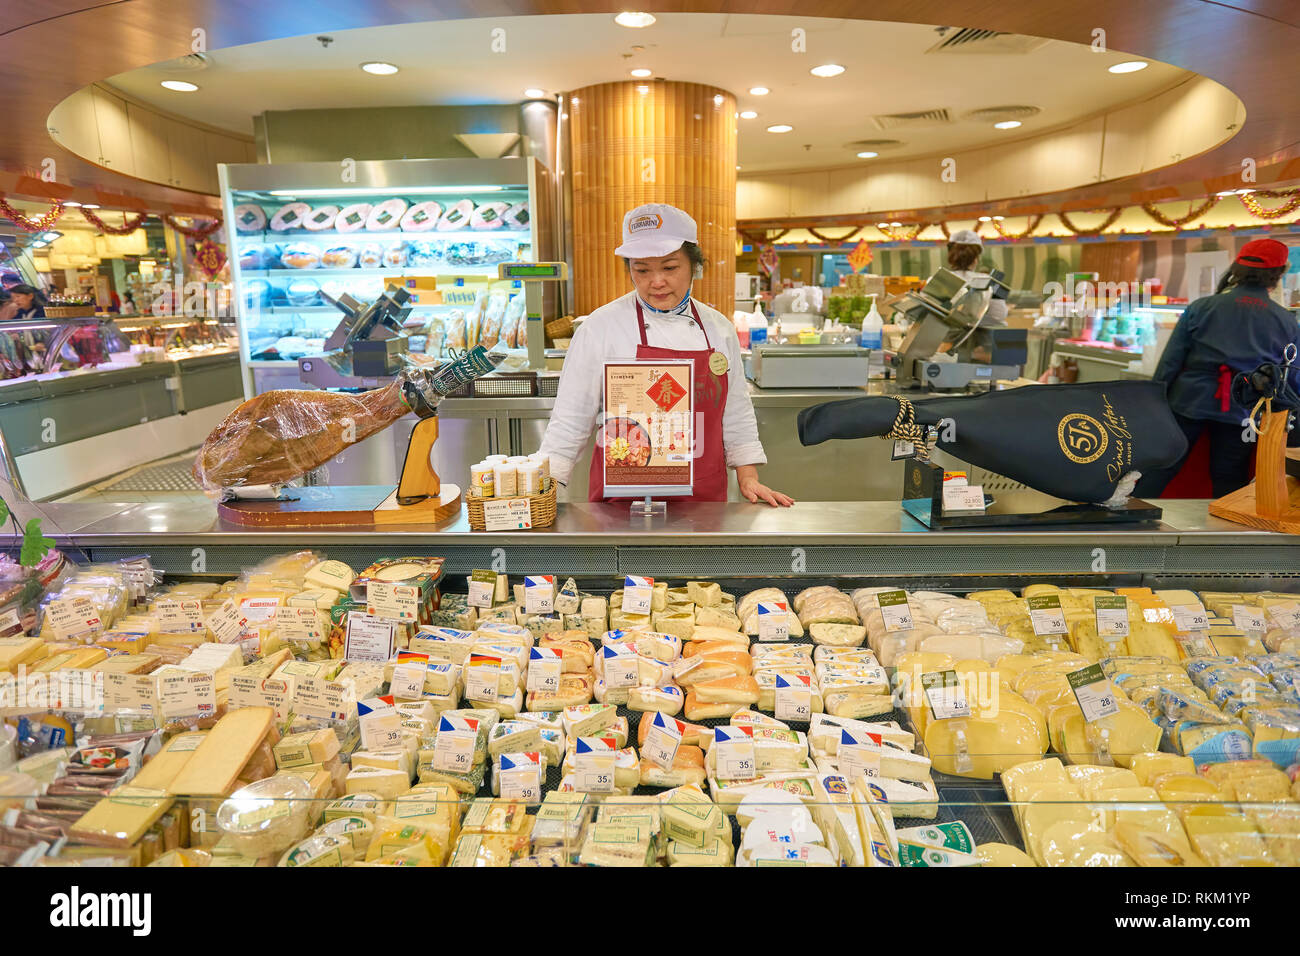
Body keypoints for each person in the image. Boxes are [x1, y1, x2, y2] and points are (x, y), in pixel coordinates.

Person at [540, 203, 793, 506]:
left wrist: (748, 477)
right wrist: (545, 486)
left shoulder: (718, 328)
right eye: (641, 270)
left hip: (703, 499)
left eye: (670, 267)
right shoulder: (600, 327)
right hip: (622, 503)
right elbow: (571, 416)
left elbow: (735, 410)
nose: (656, 282)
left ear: (694, 266)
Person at [1136, 238, 1300, 498]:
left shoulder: (1202, 308)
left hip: (1189, 400)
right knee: (1229, 476)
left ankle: (1129, 523)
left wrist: (1154, 401)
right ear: (1278, 274)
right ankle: (1223, 535)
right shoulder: (1287, 322)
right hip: (1244, 408)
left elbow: (1170, 363)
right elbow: (1290, 378)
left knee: (1161, 468)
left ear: (1237, 269)